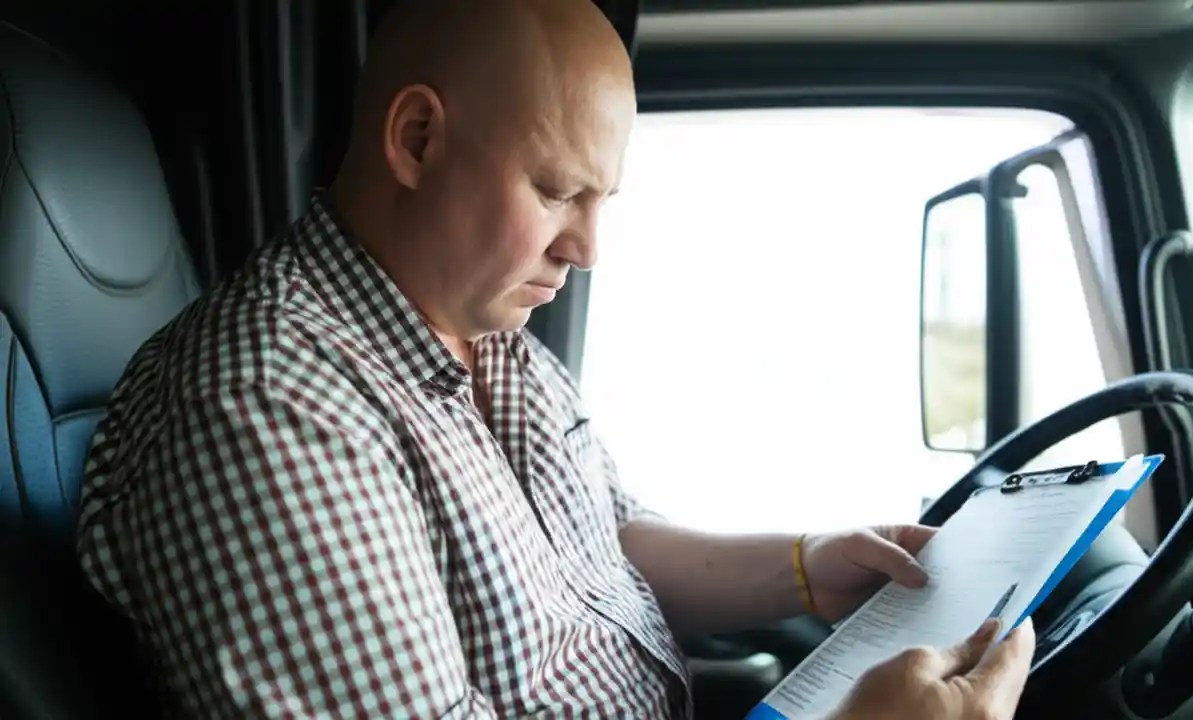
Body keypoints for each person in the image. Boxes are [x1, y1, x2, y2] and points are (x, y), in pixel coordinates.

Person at [75, 0, 1034, 717]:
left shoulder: (492, 339)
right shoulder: (272, 404)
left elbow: (603, 544)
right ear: (416, 140)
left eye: (600, 202)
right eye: (554, 191)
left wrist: (804, 566)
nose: (585, 249)